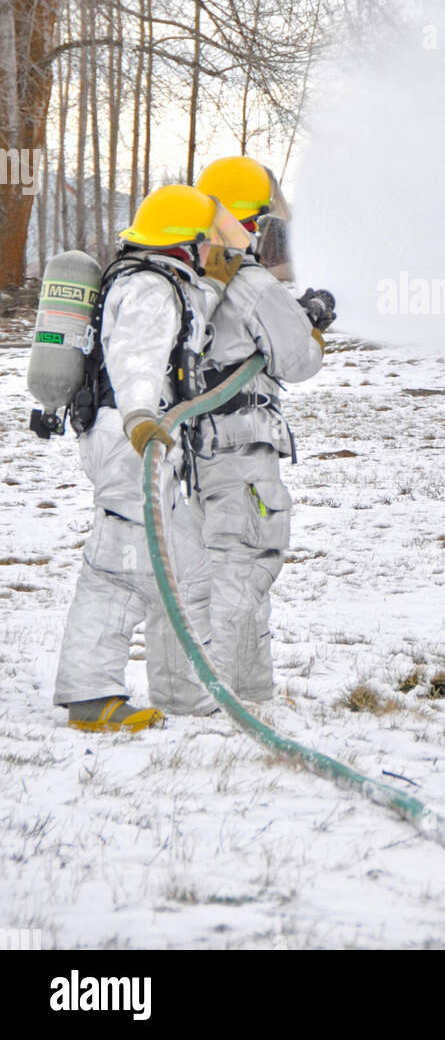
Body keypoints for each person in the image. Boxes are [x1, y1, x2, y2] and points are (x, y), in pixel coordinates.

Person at [53, 185, 238, 731]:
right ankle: (90, 698)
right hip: (134, 439)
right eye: (209, 242)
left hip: (153, 443)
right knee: (121, 568)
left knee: (187, 567)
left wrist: (218, 284)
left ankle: (187, 692)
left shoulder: (164, 283)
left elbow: (185, 321)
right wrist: (139, 417)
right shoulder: (151, 288)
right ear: (188, 240)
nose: (214, 251)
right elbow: (137, 355)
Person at [172, 155, 334, 707]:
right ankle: (227, 700)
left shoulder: (189, 274)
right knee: (245, 570)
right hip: (241, 454)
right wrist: (311, 325)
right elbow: (296, 361)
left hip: (187, 459)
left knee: (196, 583)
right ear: (251, 218)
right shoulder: (252, 282)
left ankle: (214, 696)